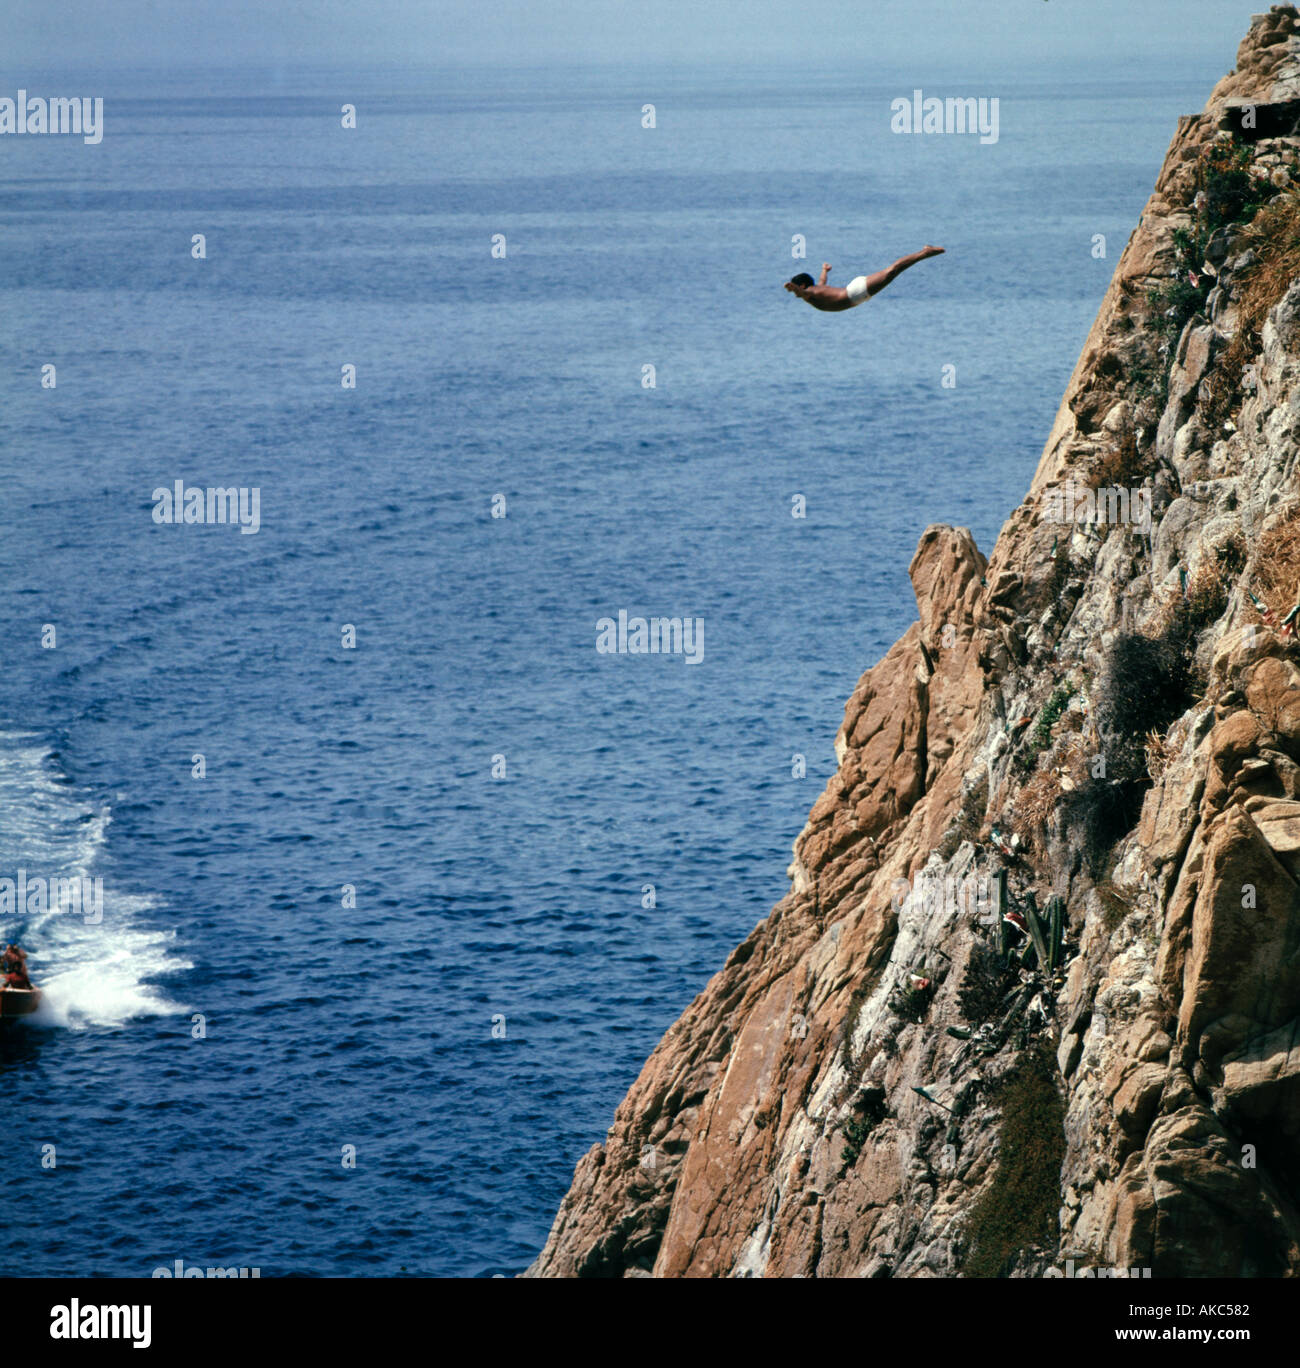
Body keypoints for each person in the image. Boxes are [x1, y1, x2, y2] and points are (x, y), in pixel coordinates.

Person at [784, 245, 945, 312]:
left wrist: (793, 287)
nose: (795, 294)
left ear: (803, 285)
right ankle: (923, 254)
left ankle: (923, 253)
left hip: (854, 293)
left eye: (797, 289)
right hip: (856, 293)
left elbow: (803, 293)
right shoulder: (817, 288)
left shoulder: (809, 293)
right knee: (892, 273)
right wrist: (824, 270)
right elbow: (822, 281)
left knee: (892, 271)